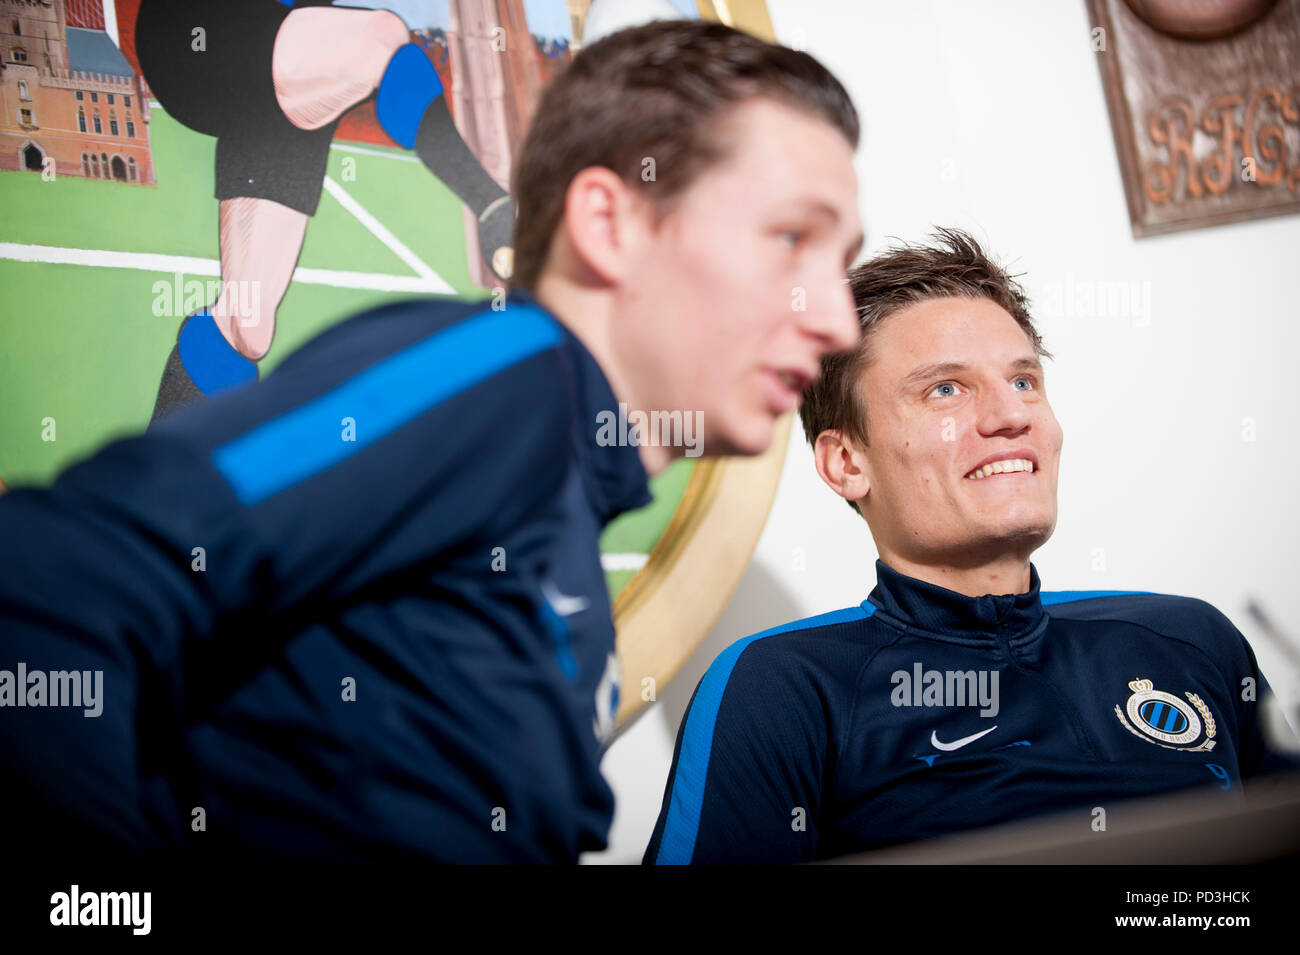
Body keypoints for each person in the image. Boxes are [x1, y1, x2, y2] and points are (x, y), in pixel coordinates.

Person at [0, 19, 863, 863]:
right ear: (610, 225)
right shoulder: (513, 387)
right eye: (792, 239)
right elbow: (50, 578)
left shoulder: (565, 528)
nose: (837, 320)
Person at [643, 228, 1300, 865]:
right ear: (846, 462)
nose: (1012, 415)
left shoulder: (1192, 639)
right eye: (945, 389)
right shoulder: (779, 689)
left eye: (1024, 381)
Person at [133, 0, 518, 421]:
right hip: (205, 28)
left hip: (285, 74)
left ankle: (159, 459)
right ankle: (490, 205)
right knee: (381, 42)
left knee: (246, 327)